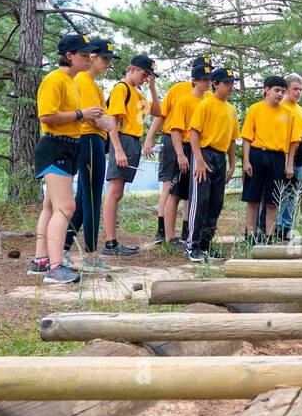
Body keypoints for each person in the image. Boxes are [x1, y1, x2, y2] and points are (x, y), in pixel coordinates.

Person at [31, 33, 103, 284]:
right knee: (67, 207)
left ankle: (41, 261)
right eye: (84, 56)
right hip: (55, 147)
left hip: (68, 147)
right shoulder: (55, 79)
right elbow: (46, 116)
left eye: (89, 56)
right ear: (69, 56)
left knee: (51, 207)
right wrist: (81, 113)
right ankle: (55, 267)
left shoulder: (72, 81)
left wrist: (83, 115)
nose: (88, 60)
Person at [63, 37, 116, 273]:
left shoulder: (94, 85)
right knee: (92, 197)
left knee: (84, 201)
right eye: (104, 58)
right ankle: (91, 256)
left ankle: (63, 248)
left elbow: (106, 120)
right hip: (89, 140)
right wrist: (106, 122)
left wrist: (106, 122)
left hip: (95, 141)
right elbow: (98, 120)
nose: (107, 63)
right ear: (92, 57)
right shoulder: (83, 81)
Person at [100, 54, 160, 257]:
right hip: (123, 140)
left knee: (119, 191)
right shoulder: (121, 89)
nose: (145, 78)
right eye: (144, 74)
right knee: (114, 190)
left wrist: (152, 87)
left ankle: (113, 240)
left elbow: (158, 112)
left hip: (133, 141)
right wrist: (117, 149)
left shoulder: (138, 94)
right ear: (132, 69)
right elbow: (112, 121)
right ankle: (110, 243)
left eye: (148, 76)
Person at [149, 56, 213, 243]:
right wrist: (150, 138)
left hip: (197, 146)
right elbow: (161, 115)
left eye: (209, 73)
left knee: (191, 189)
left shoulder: (209, 97)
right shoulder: (178, 90)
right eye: (203, 72)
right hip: (174, 140)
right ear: (194, 74)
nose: (207, 79)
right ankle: (164, 232)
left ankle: (187, 230)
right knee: (171, 186)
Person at [182, 67, 238, 261]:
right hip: (204, 154)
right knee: (200, 201)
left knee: (216, 203)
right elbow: (193, 132)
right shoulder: (205, 105)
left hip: (220, 157)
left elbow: (232, 140)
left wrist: (232, 165)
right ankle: (192, 245)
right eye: (227, 83)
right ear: (215, 84)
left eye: (232, 83)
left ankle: (205, 245)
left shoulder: (232, 110)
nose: (231, 86)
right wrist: (198, 159)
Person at [240, 76, 300, 242]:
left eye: (283, 91)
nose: (280, 94)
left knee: (273, 200)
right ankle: (250, 234)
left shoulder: (289, 113)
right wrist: (246, 160)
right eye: (277, 90)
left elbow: (293, 141)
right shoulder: (255, 109)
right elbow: (246, 137)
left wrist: (289, 165)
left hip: (278, 157)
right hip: (257, 154)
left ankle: (269, 235)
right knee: (253, 198)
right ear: (266, 90)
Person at [269, 72, 302, 241]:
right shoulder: (280, 108)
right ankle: (275, 226)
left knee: (293, 192)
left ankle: (287, 226)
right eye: (295, 89)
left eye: (301, 89)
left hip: (300, 155)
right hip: (283, 154)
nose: (298, 92)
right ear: (287, 89)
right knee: (279, 191)